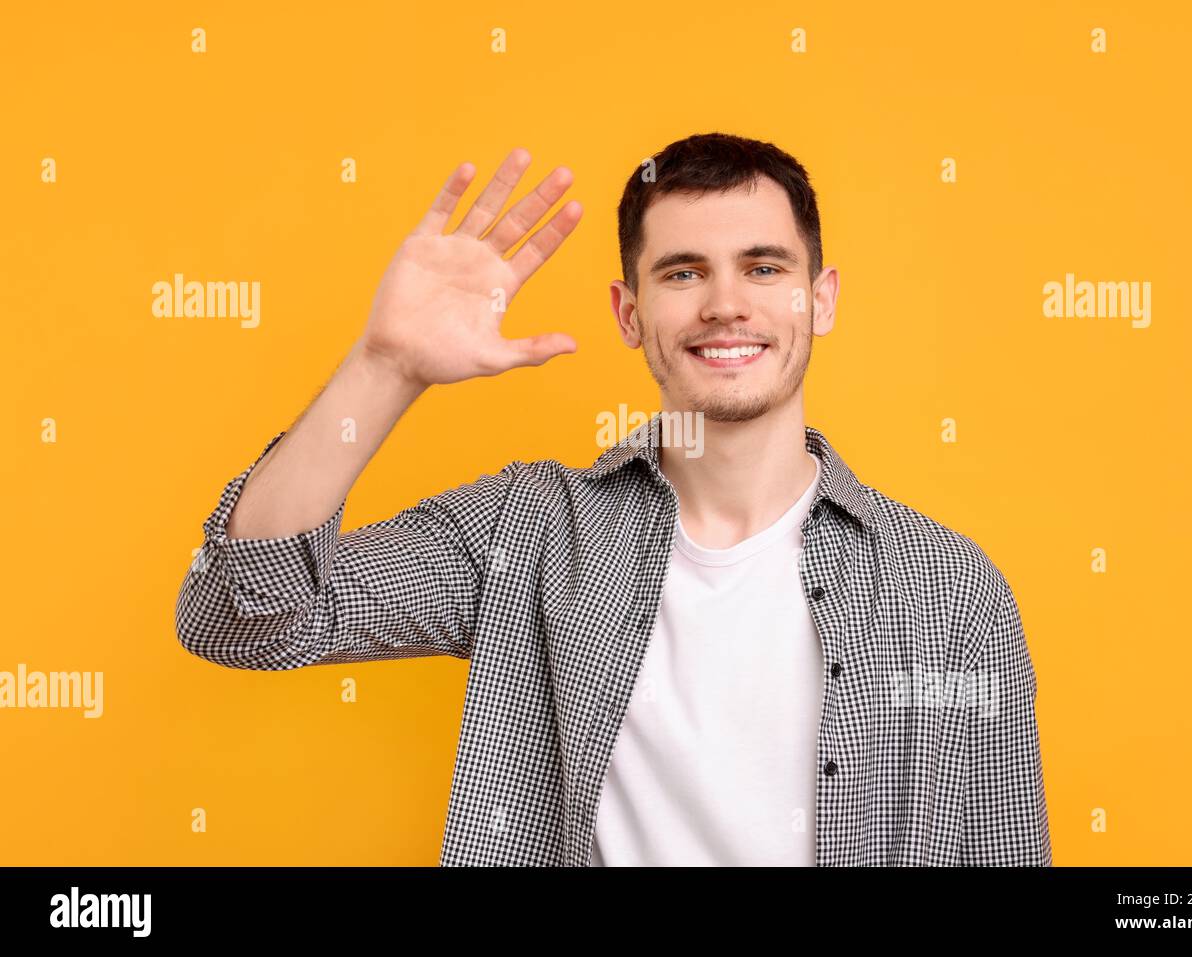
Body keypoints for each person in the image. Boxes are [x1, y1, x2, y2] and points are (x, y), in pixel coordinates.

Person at [174, 132, 1051, 867]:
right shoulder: (529, 530)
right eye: (683, 274)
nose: (725, 305)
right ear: (629, 314)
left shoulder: (950, 589)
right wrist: (385, 366)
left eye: (762, 266)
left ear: (818, 300)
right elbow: (241, 618)